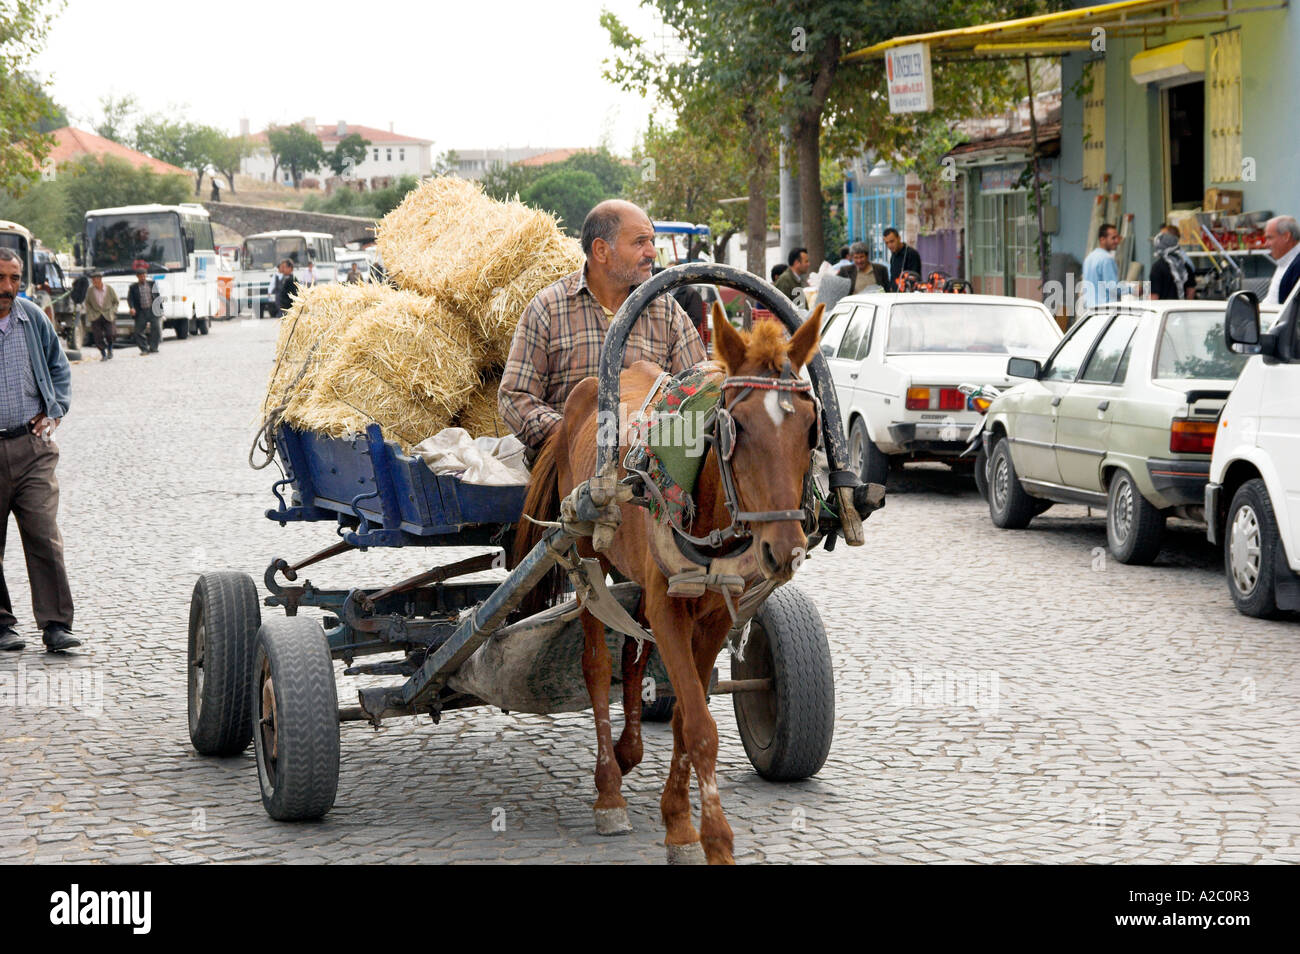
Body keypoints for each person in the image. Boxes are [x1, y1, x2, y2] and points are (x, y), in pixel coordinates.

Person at [499, 199, 706, 460]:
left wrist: (654, 439)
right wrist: (576, 437)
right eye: (640, 242)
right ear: (600, 250)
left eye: (651, 241)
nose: (652, 252)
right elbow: (515, 397)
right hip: (565, 475)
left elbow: (698, 392)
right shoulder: (548, 308)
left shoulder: (666, 311)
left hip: (649, 474)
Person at [0, 248, 77, 652]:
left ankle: (55, 625)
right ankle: (1, 625)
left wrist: (55, 410)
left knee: (43, 534)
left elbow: (59, 367)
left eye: (14, 279)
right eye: (0, 278)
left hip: (33, 448)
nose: (8, 288)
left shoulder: (32, 319)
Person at [1149, 226, 1196, 300]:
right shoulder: (1185, 265)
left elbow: (1154, 296)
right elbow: (1191, 291)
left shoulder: (1157, 267)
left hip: (1163, 309)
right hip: (1180, 309)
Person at [1261, 215, 1300, 306]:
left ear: (1286, 236)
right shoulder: (1285, 262)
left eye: (1269, 238)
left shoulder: (1297, 266)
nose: (1265, 244)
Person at [1082, 223, 1122, 307]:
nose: (1117, 241)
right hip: (1105, 310)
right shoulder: (1107, 259)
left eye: (1117, 237)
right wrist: (1133, 289)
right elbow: (1113, 287)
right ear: (1102, 239)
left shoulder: (1089, 258)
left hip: (1090, 310)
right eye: (1113, 238)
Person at [127, 263, 162, 354]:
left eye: (144, 275)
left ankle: (154, 347)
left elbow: (158, 297)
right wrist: (132, 308)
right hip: (141, 311)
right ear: (137, 277)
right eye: (140, 276)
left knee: (156, 329)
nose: (142, 277)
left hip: (152, 310)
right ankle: (144, 349)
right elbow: (130, 299)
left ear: (146, 275)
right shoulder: (133, 287)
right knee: (138, 331)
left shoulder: (152, 284)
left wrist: (160, 310)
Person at [83, 271, 119, 359]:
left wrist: (112, 311)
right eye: (93, 281)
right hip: (95, 316)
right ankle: (103, 354)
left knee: (110, 334)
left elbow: (116, 302)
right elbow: (87, 303)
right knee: (97, 337)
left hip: (108, 315)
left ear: (100, 280)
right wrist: (90, 313)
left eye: (96, 280)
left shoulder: (109, 288)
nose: (94, 282)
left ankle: (110, 348)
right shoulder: (90, 290)